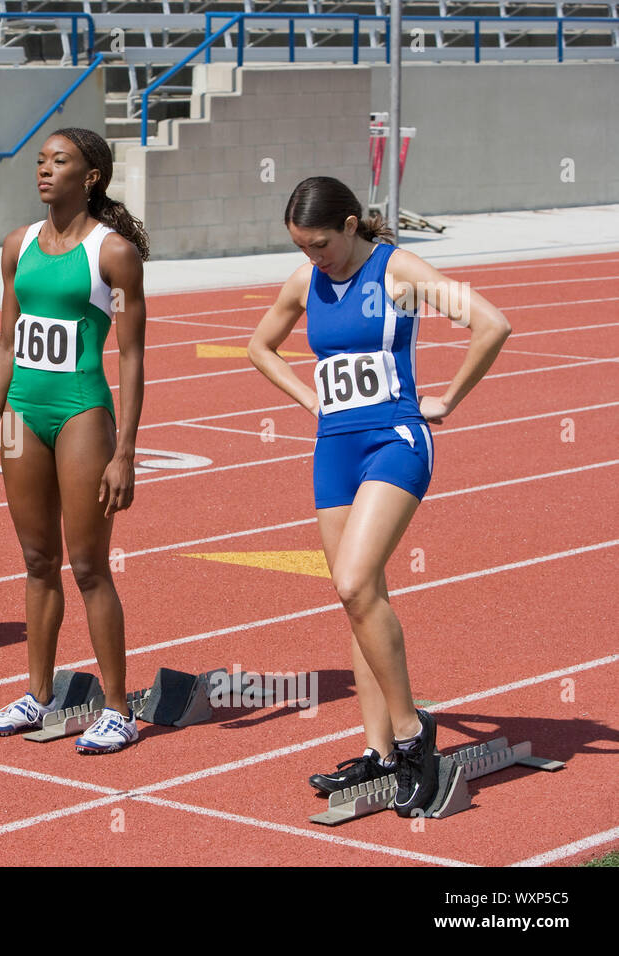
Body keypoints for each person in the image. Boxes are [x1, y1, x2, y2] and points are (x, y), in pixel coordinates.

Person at [248, 176, 511, 815]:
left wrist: (447, 397)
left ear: (349, 224)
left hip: (394, 441)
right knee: (359, 600)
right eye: (302, 248)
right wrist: (310, 398)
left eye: (321, 245)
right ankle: (380, 752)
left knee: (355, 581)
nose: (315, 258)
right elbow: (260, 346)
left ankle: (414, 736)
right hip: (334, 449)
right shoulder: (303, 280)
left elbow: (491, 323)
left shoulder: (396, 271)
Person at [0, 128, 148, 754]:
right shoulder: (17, 245)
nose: (44, 170)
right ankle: (39, 694)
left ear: (91, 175)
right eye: (40, 161)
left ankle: (119, 708)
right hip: (23, 411)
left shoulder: (114, 253)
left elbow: (130, 357)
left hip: (80, 412)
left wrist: (125, 450)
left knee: (89, 566)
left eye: (59, 161)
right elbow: (4, 341)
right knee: (38, 561)